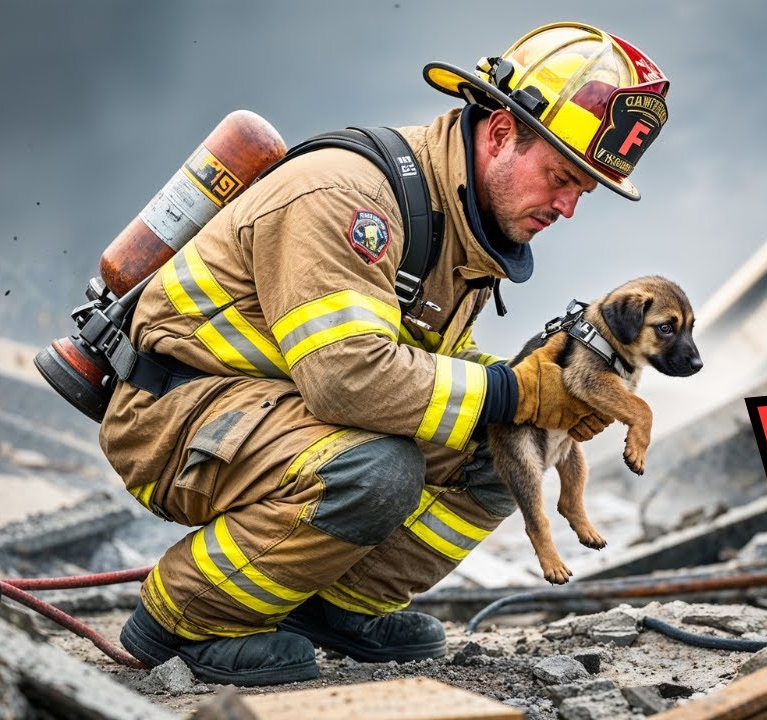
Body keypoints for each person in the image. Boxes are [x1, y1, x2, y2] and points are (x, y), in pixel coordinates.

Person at [100, 22, 671, 685]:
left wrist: (537, 392)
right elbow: (346, 378)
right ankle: (189, 614)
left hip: (268, 418)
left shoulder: (459, 227)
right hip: (177, 418)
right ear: (500, 133)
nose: (569, 206)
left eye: (584, 191)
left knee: (514, 446)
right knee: (380, 469)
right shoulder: (351, 195)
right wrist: (514, 391)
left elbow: (427, 366)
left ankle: (338, 606)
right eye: (561, 177)